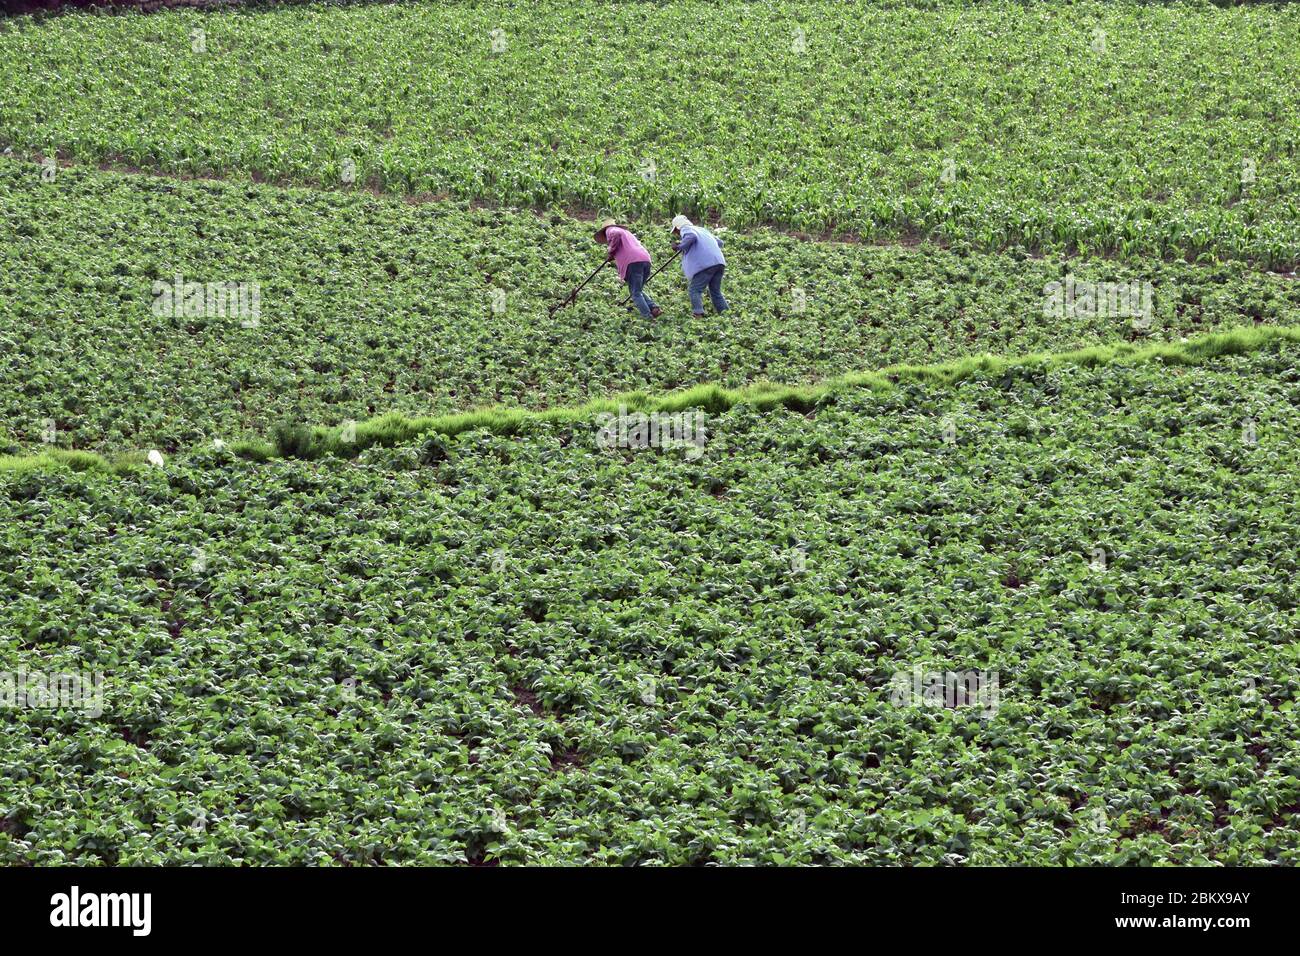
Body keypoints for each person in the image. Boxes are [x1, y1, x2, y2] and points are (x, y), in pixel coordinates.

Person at [593, 220, 662, 318]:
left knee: (636, 293)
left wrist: (611, 252)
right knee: (637, 290)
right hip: (645, 259)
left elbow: (616, 234)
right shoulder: (627, 233)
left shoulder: (610, 229)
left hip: (633, 262)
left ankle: (648, 317)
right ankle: (654, 308)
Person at [671, 215, 727, 317]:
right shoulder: (702, 230)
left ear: (677, 227)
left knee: (694, 290)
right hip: (719, 262)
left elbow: (691, 237)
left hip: (705, 264)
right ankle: (726, 315)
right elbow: (720, 242)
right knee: (715, 292)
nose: (677, 234)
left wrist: (679, 246)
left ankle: (698, 315)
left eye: (676, 231)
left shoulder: (685, 229)